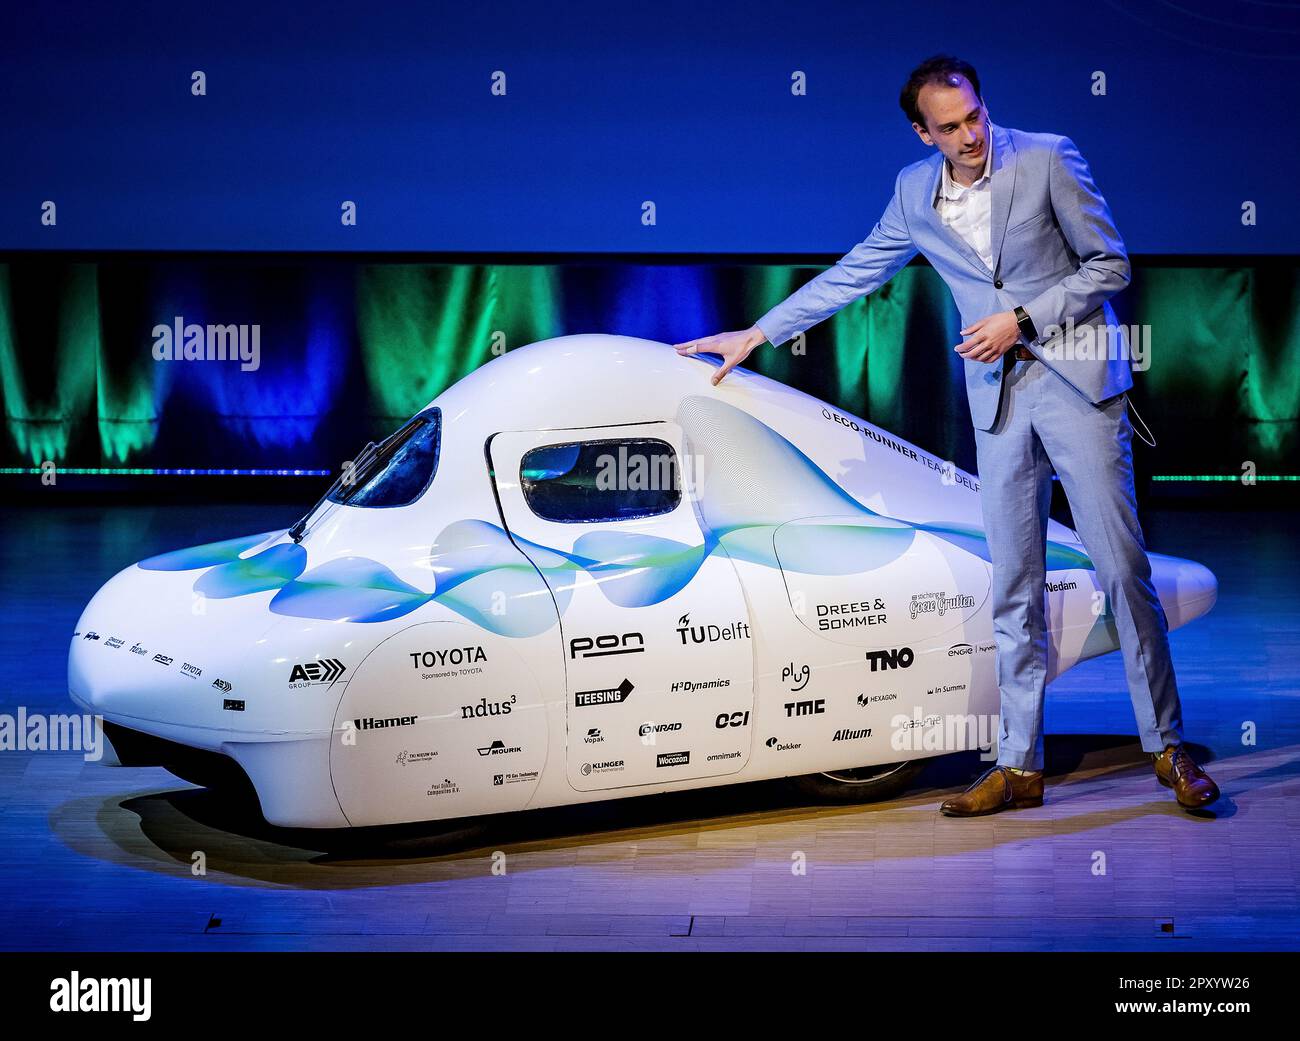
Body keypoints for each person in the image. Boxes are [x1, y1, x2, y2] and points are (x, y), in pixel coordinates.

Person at [672, 54, 1219, 816]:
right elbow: (854, 273)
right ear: (922, 131)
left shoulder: (1048, 157)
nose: (970, 135)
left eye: (975, 116)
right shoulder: (911, 193)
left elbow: (1109, 264)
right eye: (950, 126)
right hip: (999, 400)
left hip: (1077, 384)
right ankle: (1018, 763)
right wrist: (758, 332)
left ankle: (1167, 747)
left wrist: (1022, 319)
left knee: (1122, 569)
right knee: (1014, 582)